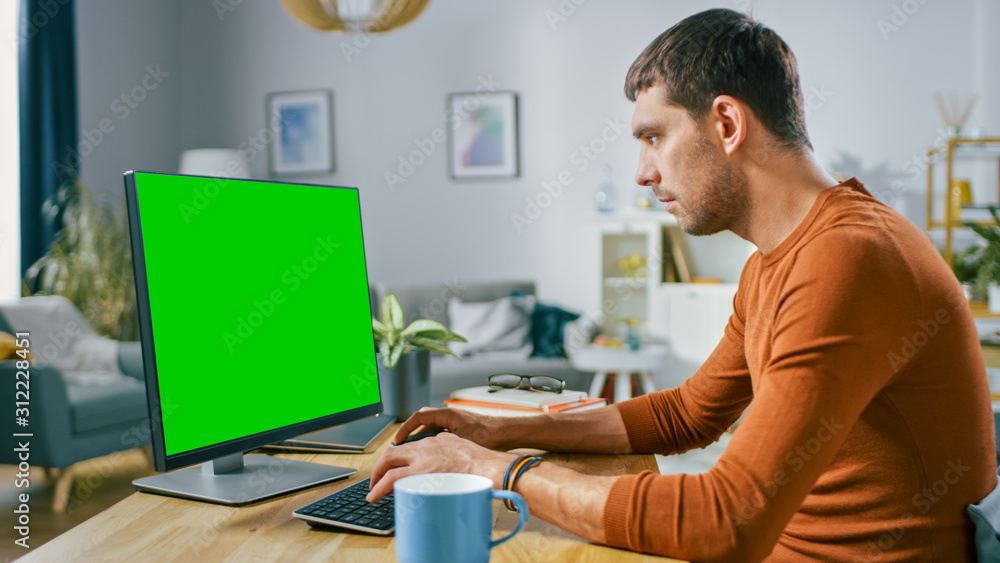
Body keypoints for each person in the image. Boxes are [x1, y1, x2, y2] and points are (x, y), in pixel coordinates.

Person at [367, 8, 997, 561]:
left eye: (653, 137)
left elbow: (728, 521)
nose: (643, 172)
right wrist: (499, 431)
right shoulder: (774, 264)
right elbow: (686, 413)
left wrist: (495, 470)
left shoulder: (849, 259)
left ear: (726, 123)